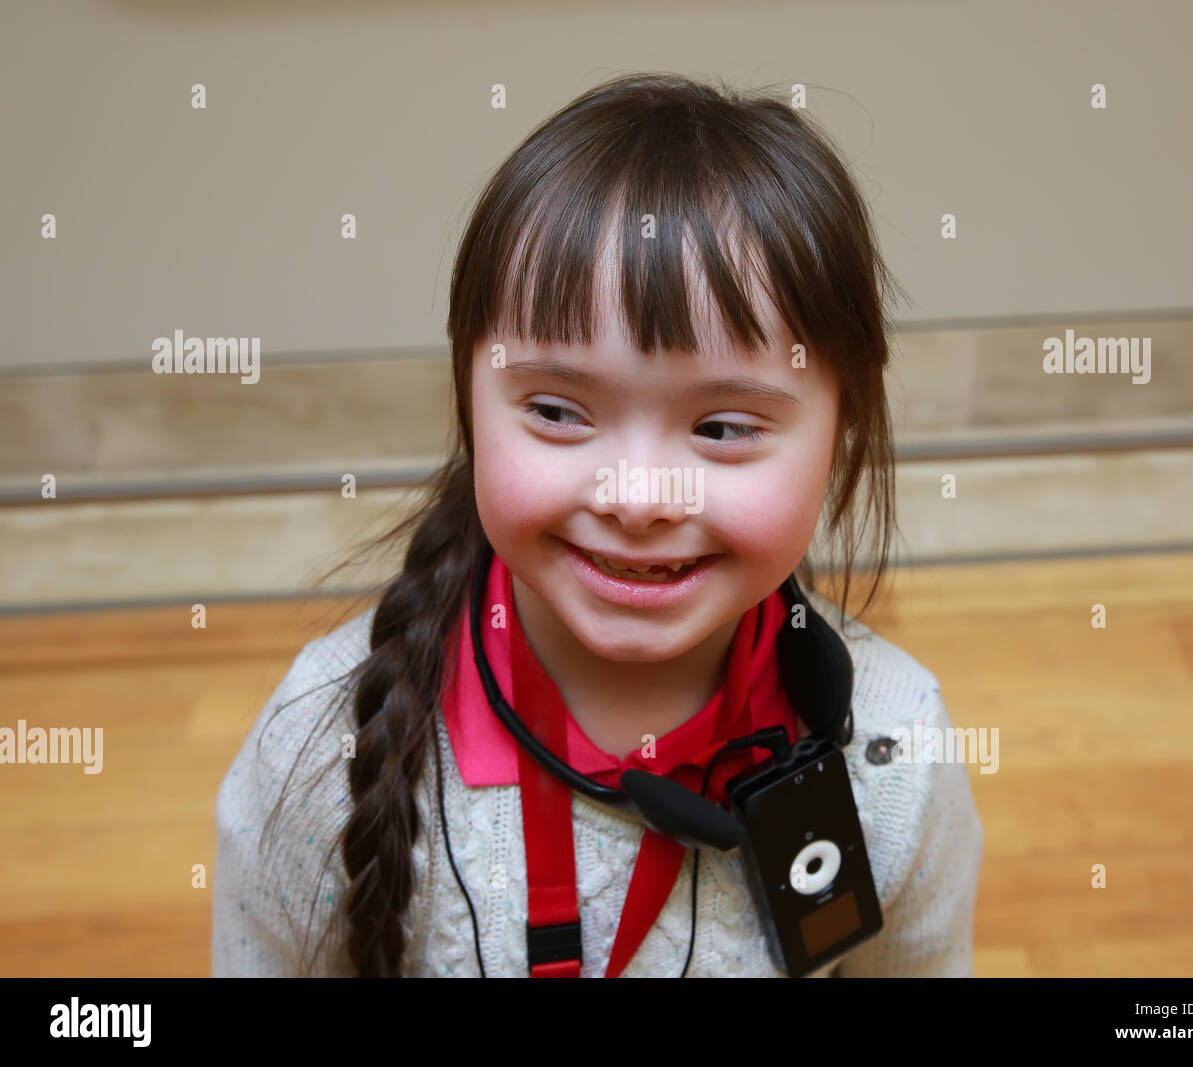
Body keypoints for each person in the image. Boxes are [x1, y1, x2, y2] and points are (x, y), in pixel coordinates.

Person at [211, 72, 983, 978]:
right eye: (557, 411)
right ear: (467, 401)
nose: (638, 494)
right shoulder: (321, 740)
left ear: (840, 428)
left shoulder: (894, 756)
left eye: (723, 427)